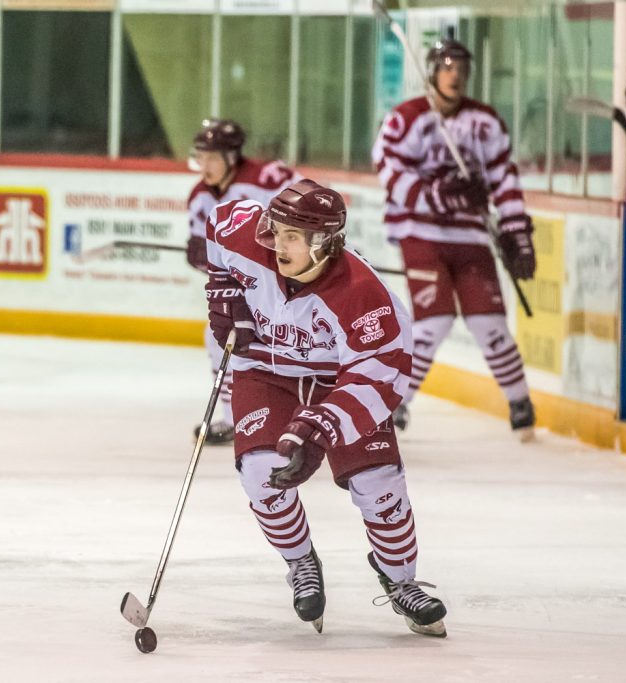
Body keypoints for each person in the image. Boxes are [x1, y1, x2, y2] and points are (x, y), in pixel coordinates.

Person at [203, 178, 447, 638]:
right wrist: (222, 288)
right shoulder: (247, 238)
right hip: (265, 373)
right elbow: (218, 222)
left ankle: (400, 581)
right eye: (276, 231)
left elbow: (379, 376)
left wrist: (323, 427)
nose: (278, 245)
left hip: (339, 382)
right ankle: (301, 562)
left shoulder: (363, 294)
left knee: (378, 483)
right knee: (260, 472)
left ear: (325, 242)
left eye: (292, 237)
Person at [371, 39, 537, 440]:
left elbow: (504, 180)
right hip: (420, 232)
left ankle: (520, 401)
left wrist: (517, 232)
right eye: (446, 66)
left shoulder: (485, 121)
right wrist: (436, 196)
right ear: (431, 72)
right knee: (434, 322)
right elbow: (388, 168)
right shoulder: (407, 118)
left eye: (461, 67)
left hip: (470, 236)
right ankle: (398, 402)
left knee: (489, 323)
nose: (454, 74)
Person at [186, 118, 299, 445]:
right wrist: (201, 254)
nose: (205, 165)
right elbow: (206, 258)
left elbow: (310, 210)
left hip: (290, 277)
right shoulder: (199, 197)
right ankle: (235, 418)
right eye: (201, 157)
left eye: (212, 157)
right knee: (218, 335)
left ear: (231, 157)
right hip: (247, 285)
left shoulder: (268, 178)